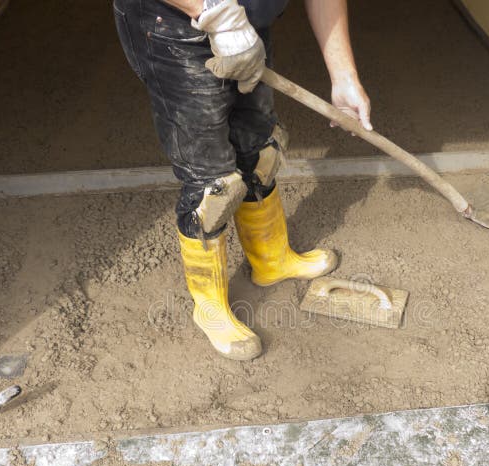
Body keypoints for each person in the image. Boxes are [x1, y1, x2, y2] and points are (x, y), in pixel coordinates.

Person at [113, 0, 371, 360]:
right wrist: (214, 11)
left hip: (245, 20)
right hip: (173, 25)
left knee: (259, 149)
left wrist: (344, 76)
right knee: (211, 183)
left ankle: (271, 259)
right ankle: (209, 307)